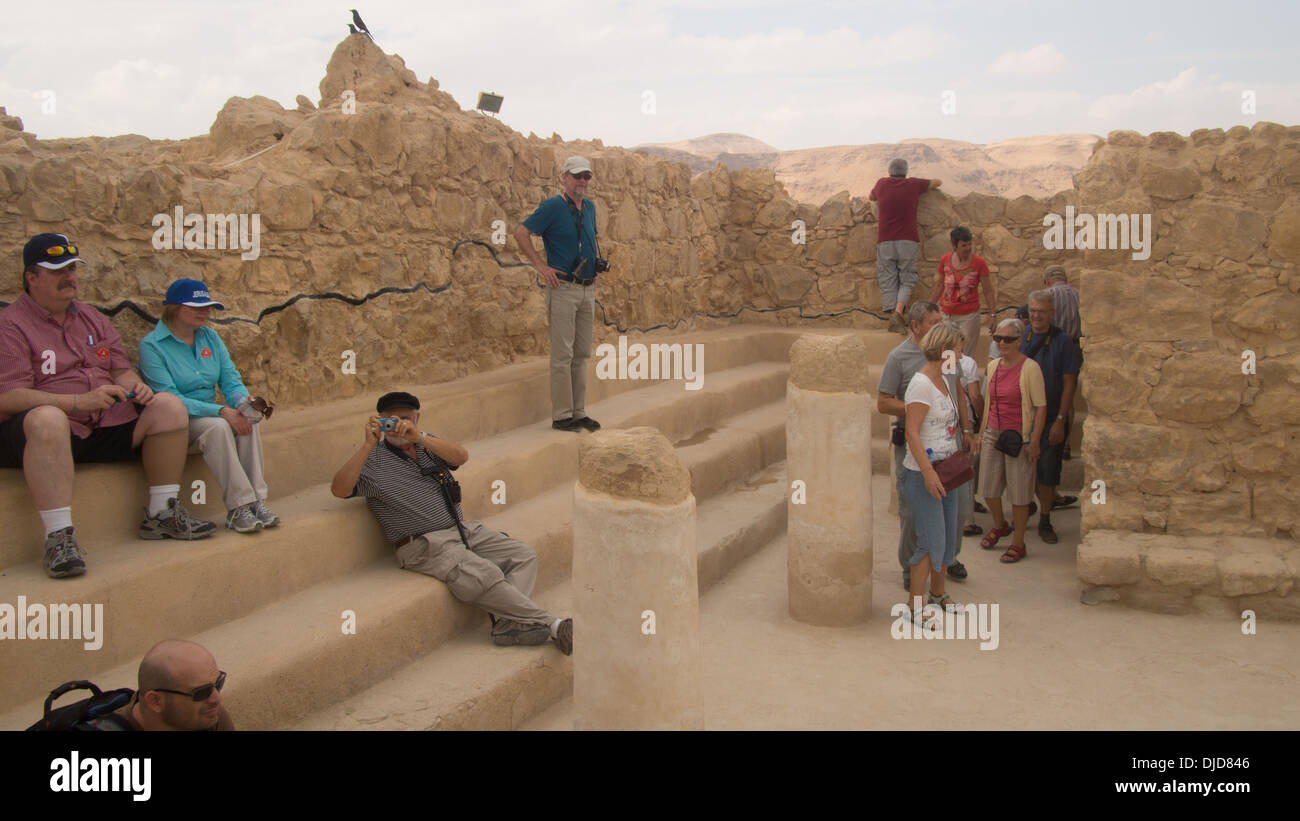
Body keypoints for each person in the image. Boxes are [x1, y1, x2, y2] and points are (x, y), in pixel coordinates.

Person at [0, 234, 216, 579]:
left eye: (72, 268)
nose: (69, 276)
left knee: (169, 406)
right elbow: (9, 396)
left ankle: (161, 515)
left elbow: (120, 370)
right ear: (31, 276)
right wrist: (74, 402)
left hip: (105, 423)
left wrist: (136, 388)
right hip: (49, 435)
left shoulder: (92, 318)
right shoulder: (10, 323)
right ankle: (59, 538)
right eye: (58, 270)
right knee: (47, 418)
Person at [330, 391, 574, 654]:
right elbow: (340, 489)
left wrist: (420, 438)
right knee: (485, 572)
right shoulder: (374, 461)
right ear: (379, 421)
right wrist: (367, 444)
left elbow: (461, 457)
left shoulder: (426, 444)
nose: (398, 424)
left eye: (405, 418)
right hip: (423, 543)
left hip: (461, 529)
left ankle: (509, 622)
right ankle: (555, 626)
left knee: (523, 554)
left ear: (417, 418)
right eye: (390, 419)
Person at [138, 279, 279, 533]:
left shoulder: (210, 338)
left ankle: (257, 502)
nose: (205, 312)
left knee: (247, 421)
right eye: (197, 306)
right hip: (178, 422)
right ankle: (238, 508)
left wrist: (242, 403)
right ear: (175, 308)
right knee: (218, 427)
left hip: (211, 413)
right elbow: (169, 397)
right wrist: (220, 410)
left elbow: (230, 379)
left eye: (207, 306)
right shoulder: (152, 346)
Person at [878, 301, 968, 586]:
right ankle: (911, 570)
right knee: (913, 511)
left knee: (956, 509)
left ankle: (946, 560)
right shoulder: (898, 357)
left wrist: (968, 429)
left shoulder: (949, 355)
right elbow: (883, 402)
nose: (940, 326)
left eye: (941, 320)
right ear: (915, 327)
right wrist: (920, 409)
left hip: (949, 446)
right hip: (916, 446)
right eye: (933, 322)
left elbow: (958, 391)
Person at [513, 156, 604, 433]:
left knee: (581, 354)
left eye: (586, 176)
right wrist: (541, 266)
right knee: (562, 355)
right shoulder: (553, 206)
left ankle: (579, 412)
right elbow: (521, 232)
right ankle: (562, 415)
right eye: (577, 175)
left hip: (587, 288)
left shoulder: (589, 207)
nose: (582, 181)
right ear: (564, 177)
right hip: (563, 288)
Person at [899, 324, 970, 627]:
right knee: (930, 541)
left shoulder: (945, 379)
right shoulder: (921, 384)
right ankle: (915, 607)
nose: (963, 355)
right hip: (924, 474)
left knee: (947, 536)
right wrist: (928, 474)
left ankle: (939, 595)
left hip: (947, 469)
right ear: (945, 352)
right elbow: (911, 433)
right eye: (959, 350)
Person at [972, 318, 1046, 563]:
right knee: (988, 489)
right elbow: (989, 402)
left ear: (1019, 340)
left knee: (1019, 493)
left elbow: (1041, 407)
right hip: (994, 432)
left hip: (1019, 437)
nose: (1002, 343)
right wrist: (982, 431)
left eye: (1008, 339)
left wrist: (1034, 440)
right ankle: (1000, 524)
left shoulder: (1030, 369)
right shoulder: (993, 367)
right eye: (998, 338)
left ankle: (1018, 541)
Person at [1020, 290, 1079, 544]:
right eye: (1032, 310)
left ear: (1052, 314)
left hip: (1051, 413)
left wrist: (1061, 420)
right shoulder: (1022, 336)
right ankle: (1027, 508)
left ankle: (1045, 517)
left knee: (1047, 468)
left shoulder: (1063, 342)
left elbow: (1069, 383)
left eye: (1041, 311)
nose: (1036, 315)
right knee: (1023, 468)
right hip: (1023, 415)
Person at [86, 639, 235, 730]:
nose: (216, 698)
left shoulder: (207, 716)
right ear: (155, 701)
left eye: (218, 683)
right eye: (201, 692)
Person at [869, 158, 941, 334]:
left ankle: (892, 314)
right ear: (906, 171)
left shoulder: (881, 184)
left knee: (887, 276)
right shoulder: (913, 184)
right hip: (907, 240)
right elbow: (938, 182)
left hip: (885, 240)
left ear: (889, 171)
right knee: (907, 277)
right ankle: (899, 311)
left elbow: (871, 197)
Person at [931, 225, 995, 358]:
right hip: (946, 315)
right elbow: (939, 286)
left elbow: (988, 290)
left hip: (969, 316)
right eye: (964, 245)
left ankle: (965, 378)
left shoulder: (979, 263)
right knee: (947, 353)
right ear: (954, 246)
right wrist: (930, 308)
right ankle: (949, 378)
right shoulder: (945, 260)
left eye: (969, 245)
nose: (968, 248)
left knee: (965, 355)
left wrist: (992, 314)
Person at [1043, 264, 1081, 460]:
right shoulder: (1078, 294)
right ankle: (1066, 443)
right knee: (1070, 393)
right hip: (1075, 347)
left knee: (1049, 393)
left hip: (1053, 347)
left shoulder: (1046, 295)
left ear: (1047, 280)